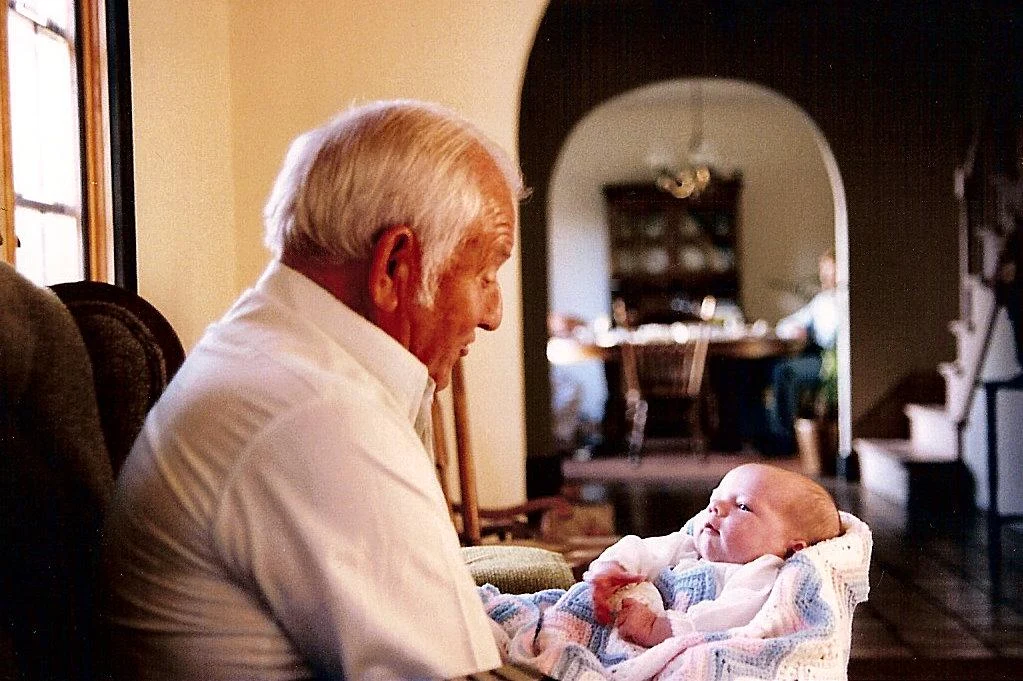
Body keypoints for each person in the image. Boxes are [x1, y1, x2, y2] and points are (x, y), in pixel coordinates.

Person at [100, 100, 526, 680]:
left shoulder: (273, 350)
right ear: (395, 265)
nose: (493, 314)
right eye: (485, 274)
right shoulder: (322, 414)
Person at [584, 463, 841, 648]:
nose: (715, 507)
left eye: (742, 506)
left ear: (793, 547)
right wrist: (612, 566)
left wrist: (657, 627)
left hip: (673, 641)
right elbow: (642, 549)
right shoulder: (688, 546)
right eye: (715, 498)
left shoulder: (761, 572)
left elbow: (727, 618)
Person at [764, 249, 838, 455]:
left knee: (785, 372)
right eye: (823, 269)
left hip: (831, 362)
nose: (825, 274)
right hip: (816, 355)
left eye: (830, 269)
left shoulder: (844, 300)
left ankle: (784, 439)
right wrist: (797, 328)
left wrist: (815, 332)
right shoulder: (823, 300)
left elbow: (833, 336)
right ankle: (772, 434)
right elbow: (788, 324)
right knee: (775, 368)